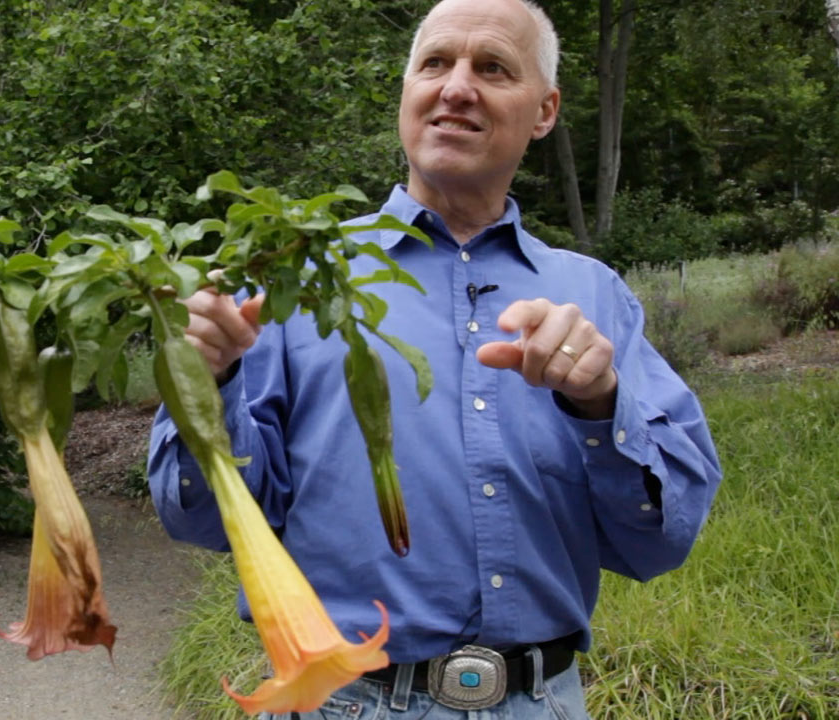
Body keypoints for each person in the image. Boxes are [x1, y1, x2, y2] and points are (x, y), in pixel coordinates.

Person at [147, 0, 722, 716]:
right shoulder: (287, 275)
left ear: (544, 112)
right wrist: (209, 383)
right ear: (407, 94)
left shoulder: (593, 295)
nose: (456, 88)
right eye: (435, 64)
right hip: (344, 700)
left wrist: (600, 405)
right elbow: (199, 521)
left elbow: (660, 542)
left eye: (492, 68)